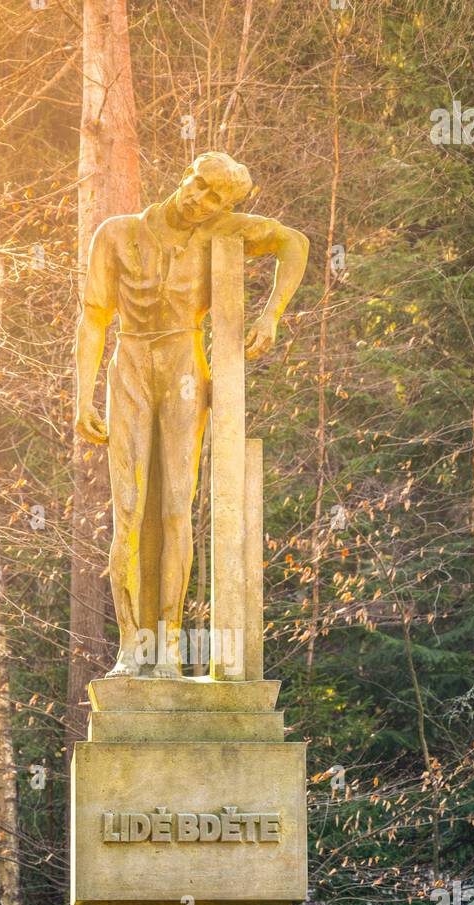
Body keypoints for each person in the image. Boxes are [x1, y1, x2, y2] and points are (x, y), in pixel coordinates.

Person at [74, 151, 309, 678]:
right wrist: (81, 396)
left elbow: (295, 242)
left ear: (222, 205)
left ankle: (169, 649)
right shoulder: (116, 233)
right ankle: (132, 646)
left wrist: (271, 315)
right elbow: (93, 319)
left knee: (178, 506)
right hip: (130, 361)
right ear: (184, 177)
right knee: (129, 510)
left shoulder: (225, 230)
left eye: (212, 197)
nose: (197, 199)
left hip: (184, 359)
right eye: (196, 185)